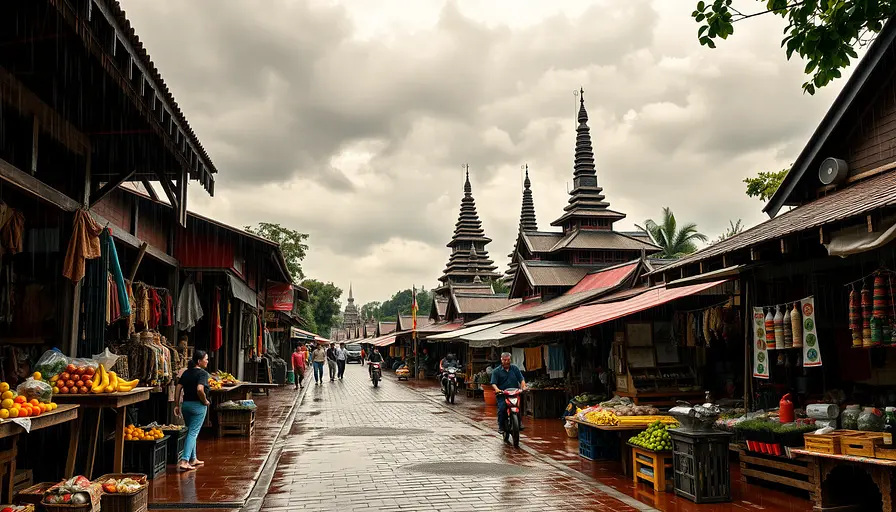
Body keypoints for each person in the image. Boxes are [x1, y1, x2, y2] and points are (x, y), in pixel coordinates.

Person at [174, 350, 211, 472]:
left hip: (186, 405)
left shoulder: (186, 373)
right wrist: (205, 401)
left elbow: (178, 387)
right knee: (193, 433)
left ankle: (193, 459)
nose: (207, 361)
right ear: (199, 361)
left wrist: (176, 405)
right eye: (205, 359)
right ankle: (184, 461)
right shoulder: (203, 374)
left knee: (190, 431)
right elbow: (200, 389)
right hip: (198, 406)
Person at [490, 352, 527, 434]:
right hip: (502, 394)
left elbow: (521, 379)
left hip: (514, 393)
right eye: (505, 360)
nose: (506, 362)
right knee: (502, 409)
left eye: (508, 360)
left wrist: (523, 387)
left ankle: (519, 422)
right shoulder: (496, 371)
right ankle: (501, 426)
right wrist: (497, 390)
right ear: (501, 360)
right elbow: (493, 383)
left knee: (519, 406)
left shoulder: (515, 368)